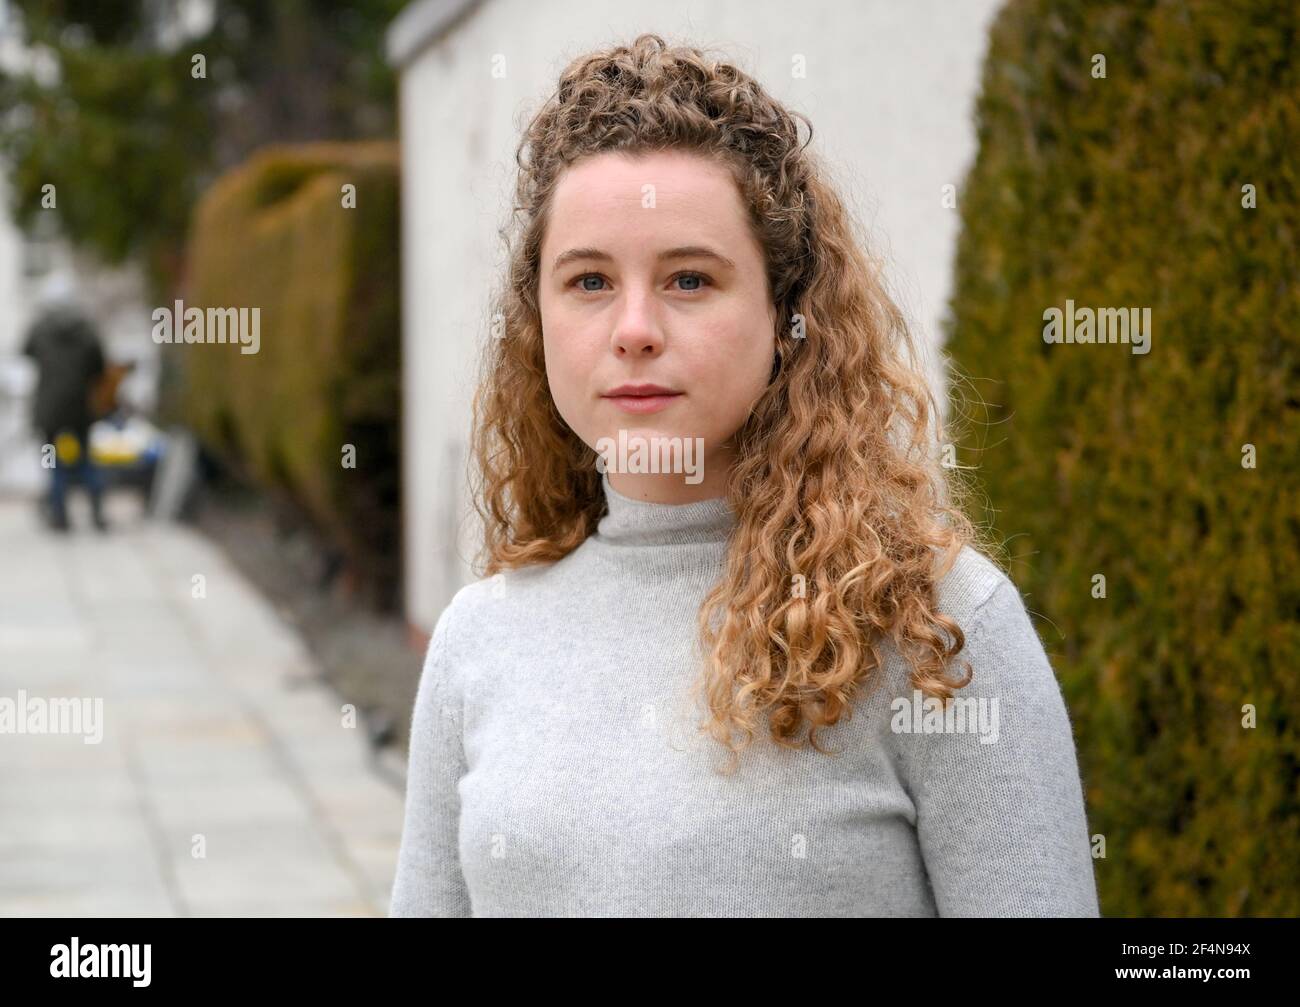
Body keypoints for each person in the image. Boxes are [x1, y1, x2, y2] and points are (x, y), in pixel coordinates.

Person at [390, 34, 1100, 917]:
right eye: (588, 281)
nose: (635, 327)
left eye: (689, 278)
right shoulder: (477, 640)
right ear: (536, 318)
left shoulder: (936, 626)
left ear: (786, 312)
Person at [21, 275, 108, 532]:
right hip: (79, 409)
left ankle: (59, 514)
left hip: (49, 411)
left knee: (51, 460)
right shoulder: (87, 330)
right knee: (85, 459)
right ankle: (97, 511)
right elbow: (99, 367)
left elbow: (25, 352)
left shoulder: (40, 329)